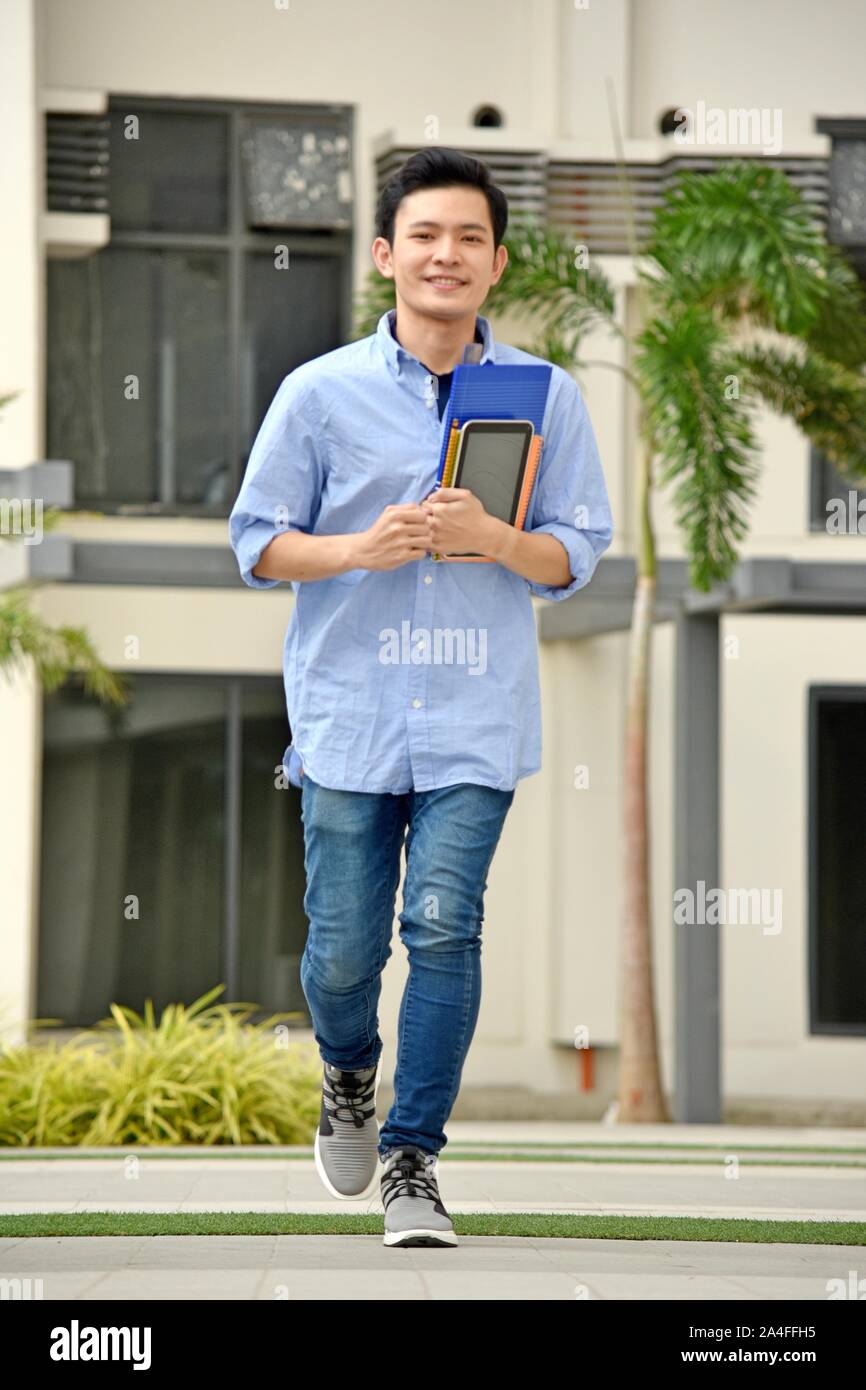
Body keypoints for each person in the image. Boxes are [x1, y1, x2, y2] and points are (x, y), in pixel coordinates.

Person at [228, 146, 613, 1248]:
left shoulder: (545, 395)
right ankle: (346, 1072)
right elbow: (256, 543)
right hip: (347, 715)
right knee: (344, 950)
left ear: (495, 264)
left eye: (470, 239)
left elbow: (577, 553)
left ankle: (412, 1158)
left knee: (444, 930)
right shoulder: (317, 392)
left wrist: (496, 538)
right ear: (389, 255)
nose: (447, 255)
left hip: (476, 718)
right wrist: (359, 547)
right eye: (427, 236)